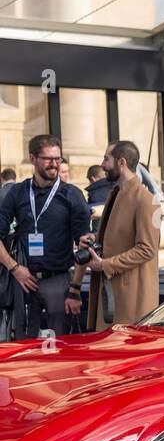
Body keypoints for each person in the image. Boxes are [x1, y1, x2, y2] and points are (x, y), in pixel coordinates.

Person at [0, 135, 90, 338]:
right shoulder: (17, 192)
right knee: (23, 346)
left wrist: (74, 290)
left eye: (58, 159)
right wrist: (14, 268)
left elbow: (85, 247)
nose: (54, 164)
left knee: (59, 346)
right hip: (21, 281)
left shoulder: (72, 195)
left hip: (57, 282)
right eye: (48, 159)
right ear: (32, 158)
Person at [76, 141, 159, 331]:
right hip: (111, 295)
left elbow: (147, 250)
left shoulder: (146, 200)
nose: (103, 165)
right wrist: (94, 238)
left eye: (106, 159)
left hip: (129, 301)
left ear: (121, 162)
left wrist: (105, 265)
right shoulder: (116, 193)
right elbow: (119, 234)